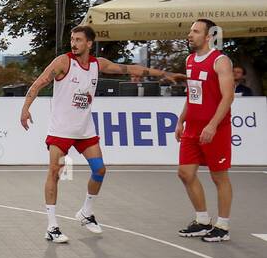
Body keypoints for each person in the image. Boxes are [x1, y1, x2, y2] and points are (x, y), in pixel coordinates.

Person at [20, 25, 175, 243]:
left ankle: (85, 212)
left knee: (100, 170)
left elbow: (130, 69)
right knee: (55, 172)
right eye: (72, 39)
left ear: (89, 43)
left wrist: (164, 74)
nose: (74, 43)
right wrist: (25, 108)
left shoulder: (97, 64)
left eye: (79, 40)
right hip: (62, 130)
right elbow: (39, 83)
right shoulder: (63, 62)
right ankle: (52, 226)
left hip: (85, 130)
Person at [176, 19, 235, 242]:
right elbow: (192, 95)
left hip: (215, 129)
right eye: (190, 31)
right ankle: (202, 221)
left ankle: (223, 226)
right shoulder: (189, 60)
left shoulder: (220, 61)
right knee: (185, 173)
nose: (190, 34)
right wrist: (181, 120)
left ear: (208, 36)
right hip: (192, 127)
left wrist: (212, 124)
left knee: (219, 177)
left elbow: (228, 97)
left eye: (196, 31)